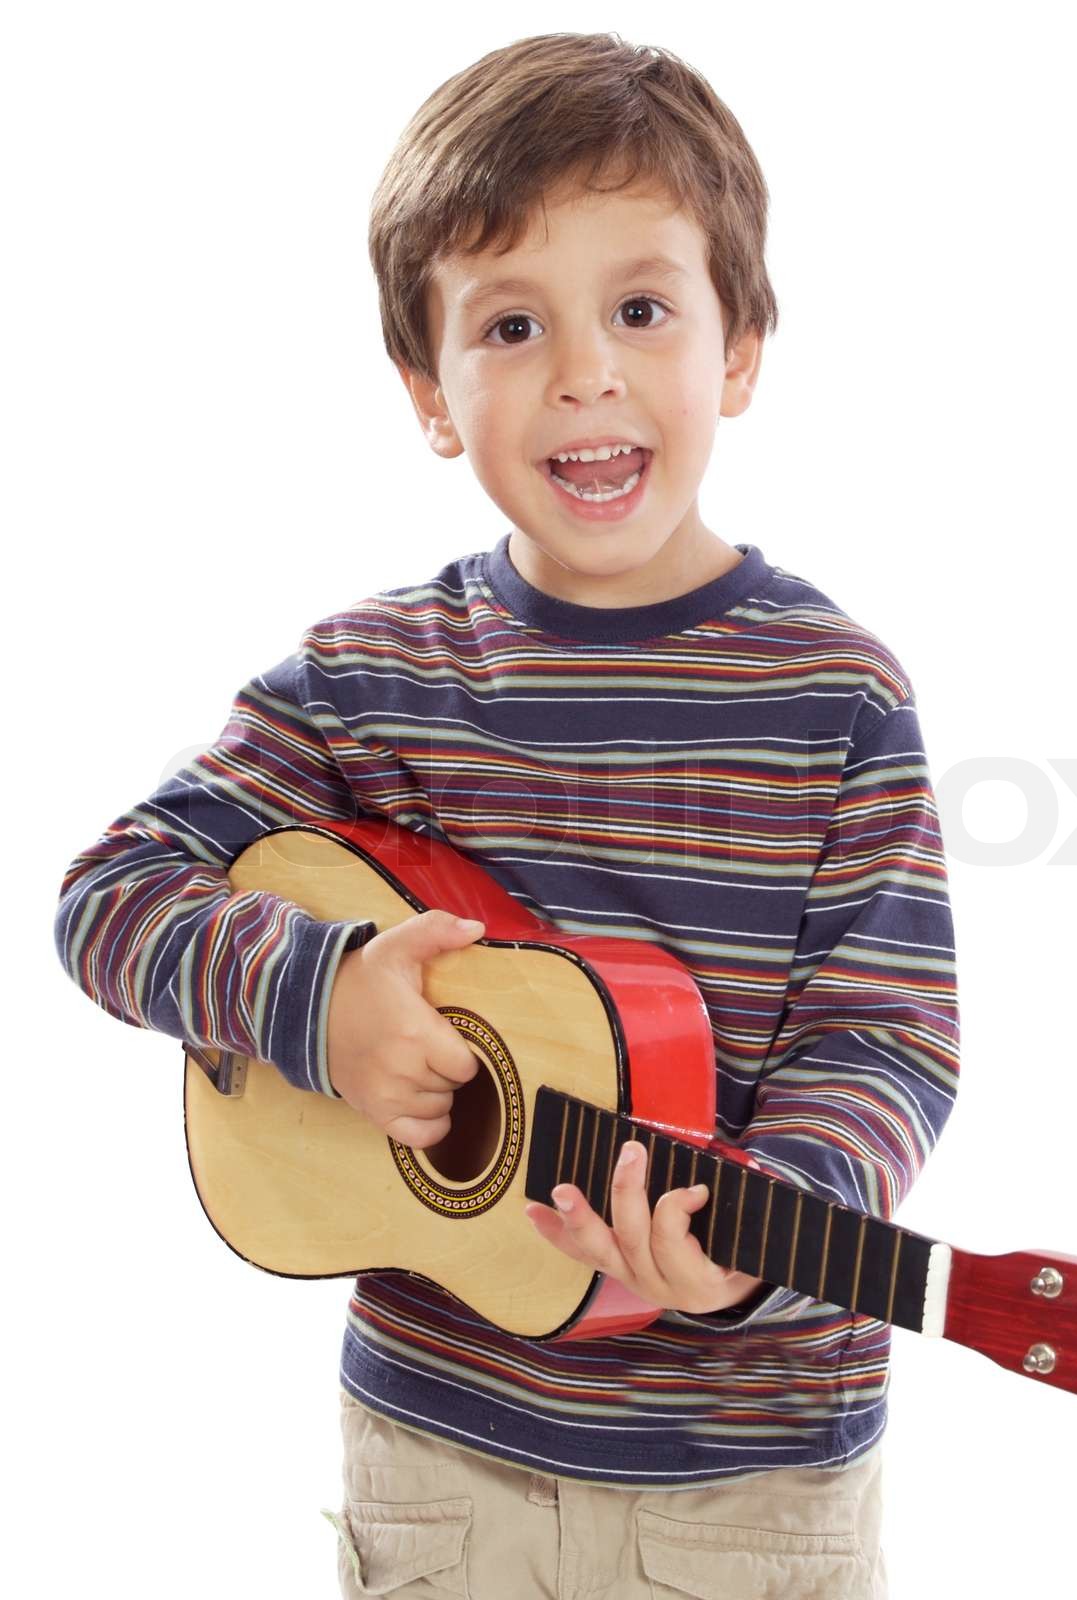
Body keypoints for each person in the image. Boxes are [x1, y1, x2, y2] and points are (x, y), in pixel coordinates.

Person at [53, 31, 959, 1599]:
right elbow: (111, 891)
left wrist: (778, 1221)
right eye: (512, 322)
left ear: (738, 351)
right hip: (437, 1455)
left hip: (745, 1477)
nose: (584, 372)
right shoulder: (367, 676)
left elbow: (888, 1040)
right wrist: (316, 998)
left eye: (642, 309)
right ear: (429, 388)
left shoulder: (836, 693)